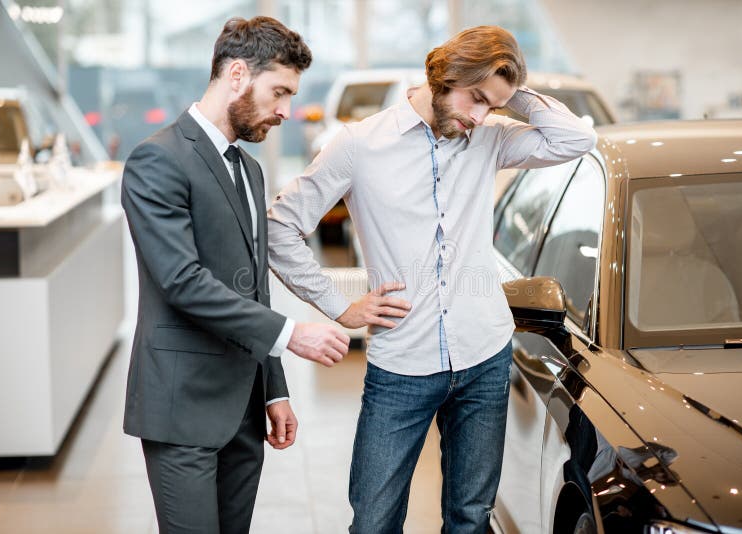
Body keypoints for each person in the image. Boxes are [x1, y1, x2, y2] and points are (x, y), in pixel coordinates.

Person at [268, 25, 597, 533]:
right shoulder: (359, 145)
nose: (480, 115)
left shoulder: (489, 138)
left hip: (485, 357)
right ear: (445, 75)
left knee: (469, 518)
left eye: (494, 105)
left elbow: (578, 138)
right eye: (476, 98)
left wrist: (515, 94)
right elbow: (280, 227)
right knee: (374, 521)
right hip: (402, 364)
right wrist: (339, 305)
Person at [121, 16, 350, 534]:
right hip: (181, 408)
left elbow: (254, 285)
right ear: (239, 75)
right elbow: (181, 280)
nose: (286, 111)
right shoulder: (157, 160)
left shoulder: (249, 169)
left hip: (245, 406)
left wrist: (274, 388)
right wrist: (292, 336)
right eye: (280, 92)